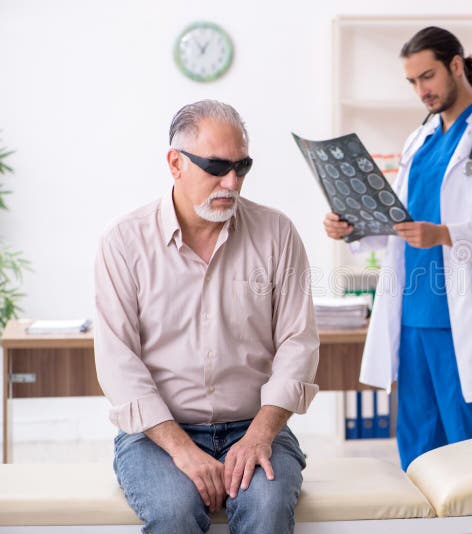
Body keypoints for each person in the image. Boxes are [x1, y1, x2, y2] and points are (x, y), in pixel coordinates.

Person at [95, 100, 319, 533]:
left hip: (255, 426)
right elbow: (118, 361)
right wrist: (181, 449)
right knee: (175, 510)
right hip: (157, 435)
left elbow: (298, 342)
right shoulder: (123, 241)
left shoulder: (277, 233)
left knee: (267, 508)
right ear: (175, 163)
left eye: (242, 167)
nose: (231, 182)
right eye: (216, 167)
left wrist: (259, 435)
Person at [323, 27, 472, 470]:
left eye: (428, 76)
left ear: (457, 66)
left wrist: (445, 234)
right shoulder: (418, 140)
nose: (421, 90)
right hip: (411, 315)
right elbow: (399, 227)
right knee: (420, 446)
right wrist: (354, 229)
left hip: (462, 317)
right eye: (413, 82)